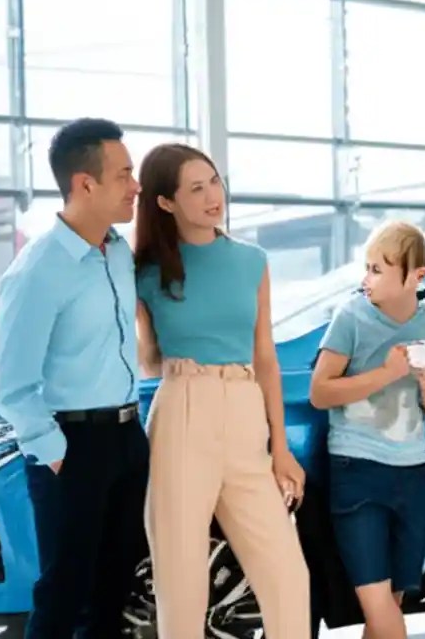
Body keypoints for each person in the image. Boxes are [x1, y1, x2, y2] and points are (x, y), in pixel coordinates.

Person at [133, 143, 310, 637]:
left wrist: (281, 449)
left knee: (288, 576)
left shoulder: (251, 261)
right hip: (184, 408)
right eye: (196, 188)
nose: (213, 196)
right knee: (182, 583)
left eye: (214, 181)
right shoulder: (145, 273)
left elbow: (266, 358)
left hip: (245, 412)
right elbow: (147, 360)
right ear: (166, 202)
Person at [0, 118, 149, 637]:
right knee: (64, 593)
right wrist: (56, 450)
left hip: (128, 438)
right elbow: (13, 384)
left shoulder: (119, 251)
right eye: (125, 174)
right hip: (73, 444)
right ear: (86, 183)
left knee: (112, 592)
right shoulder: (38, 268)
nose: (136, 186)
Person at [309, 220, 425, 639]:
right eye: (367, 267)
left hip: (414, 473)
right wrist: (387, 373)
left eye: (377, 270)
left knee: (388, 607)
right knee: (378, 606)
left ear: (417, 276)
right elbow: (320, 392)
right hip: (358, 470)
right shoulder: (351, 318)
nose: (365, 279)